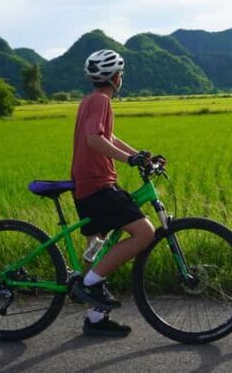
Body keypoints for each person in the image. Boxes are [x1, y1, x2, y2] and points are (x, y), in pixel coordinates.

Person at [69, 49, 159, 337]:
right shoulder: (101, 101)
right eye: (121, 73)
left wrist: (140, 156)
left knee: (99, 248)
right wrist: (129, 160)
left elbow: (108, 137)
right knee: (145, 233)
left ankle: (95, 320)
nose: (122, 77)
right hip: (97, 185)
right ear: (116, 77)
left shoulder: (91, 100)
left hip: (90, 184)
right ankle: (89, 284)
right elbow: (94, 140)